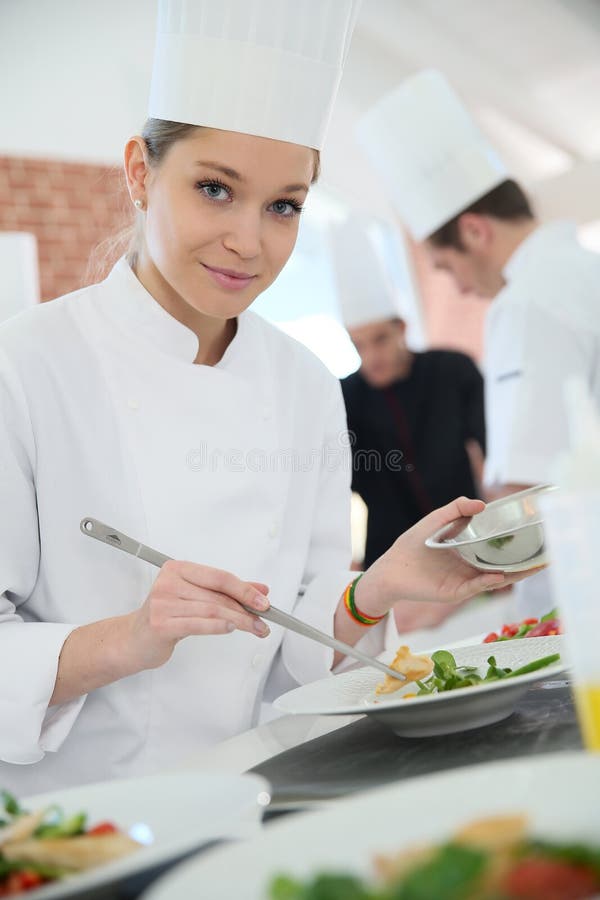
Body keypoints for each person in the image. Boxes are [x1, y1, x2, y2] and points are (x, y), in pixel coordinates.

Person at [0, 8, 527, 795]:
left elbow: (300, 648)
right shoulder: (25, 365)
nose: (250, 240)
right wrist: (132, 636)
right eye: (215, 188)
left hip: (255, 793)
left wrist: (374, 586)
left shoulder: (305, 384)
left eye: (284, 205)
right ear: (141, 172)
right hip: (77, 824)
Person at [357, 69, 600, 616]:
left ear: (474, 230)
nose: (461, 287)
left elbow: (524, 490)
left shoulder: (527, 300)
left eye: (447, 267)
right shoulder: (584, 270)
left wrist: (435, 594)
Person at [332, 215, 485, 570]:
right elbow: (334, 486)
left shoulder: (452, 369)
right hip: (391, 559)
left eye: (380, 339)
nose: (372, 357)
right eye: (358, 345)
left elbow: (493, 448)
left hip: (466, 538)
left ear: (401, 327)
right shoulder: (343, 399)